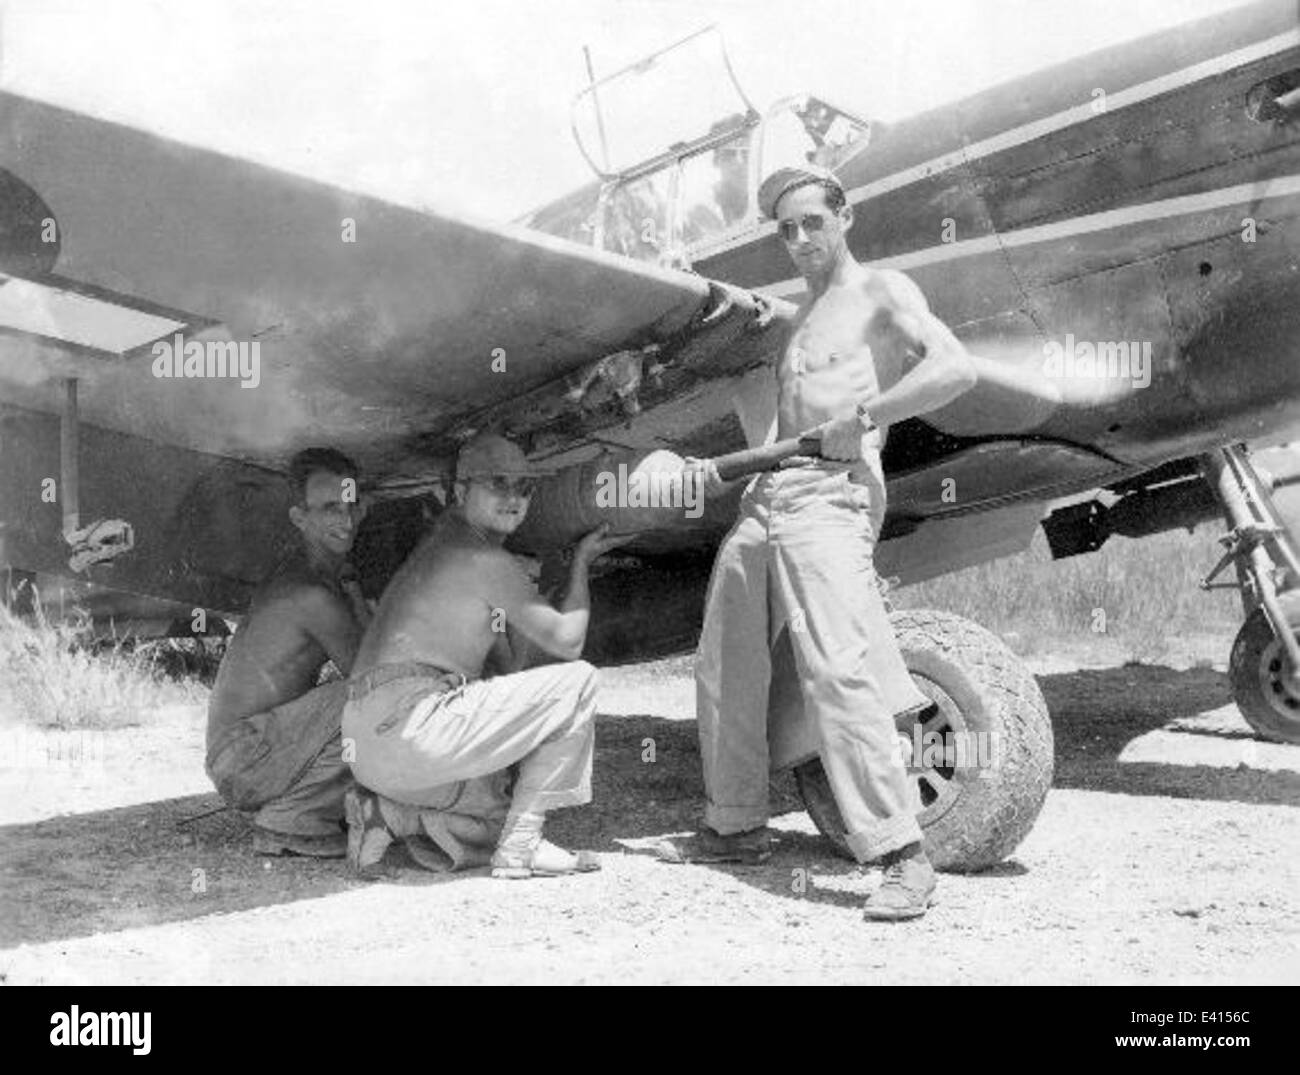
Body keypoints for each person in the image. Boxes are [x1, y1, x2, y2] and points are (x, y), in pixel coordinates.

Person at [667, 164, 978, 921]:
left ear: (846, 218)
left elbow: (955, 367)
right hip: (768, 494)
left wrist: (867, 417)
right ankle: (735, 824)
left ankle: (903, 853)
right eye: (786, 228)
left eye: (813, 221)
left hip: (831, 494)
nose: (800, 238)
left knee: (838, 666)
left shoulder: (882, 292)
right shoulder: (793, 318)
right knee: (723, 659)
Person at [341, 433, 627, 879]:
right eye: (498, 484)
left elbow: (509, 669)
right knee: (580, 680)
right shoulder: (483, 559)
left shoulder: (440, 543)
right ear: (459, 491)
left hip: (366, 745)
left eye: (525, 488)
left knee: (497, 797)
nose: (514, 498)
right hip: (411, 726)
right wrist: (581, 566)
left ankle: (388, 816)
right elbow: (570, 642)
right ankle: (522, 846)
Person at [206, 447, 369, 857]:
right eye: (330, 508)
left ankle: (302, 804)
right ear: (300, 518)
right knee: (371, 695)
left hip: (244, 754)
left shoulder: (308, 574)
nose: (346, 520)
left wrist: (352, 587)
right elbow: (371, 674)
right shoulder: (311, 594)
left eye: (352, 505)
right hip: (245, 760)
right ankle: (293, 818)